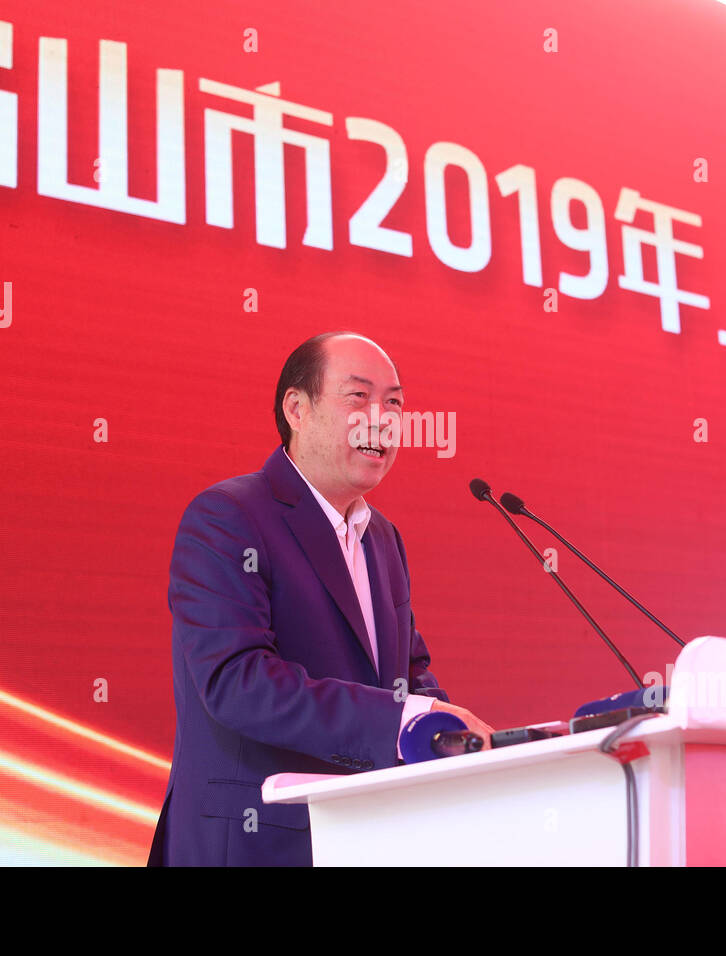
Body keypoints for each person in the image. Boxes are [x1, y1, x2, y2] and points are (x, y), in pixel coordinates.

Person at [148, 331, 494, 866]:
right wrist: (401, 719)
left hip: (359, 839)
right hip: (252, 844)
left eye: (395, 403)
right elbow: (239, 685)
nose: (381, 419)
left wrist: (451, 732)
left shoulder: (382, 537)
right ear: (297, 408)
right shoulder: (227, 516)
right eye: (359, 397)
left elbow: (405, 673)